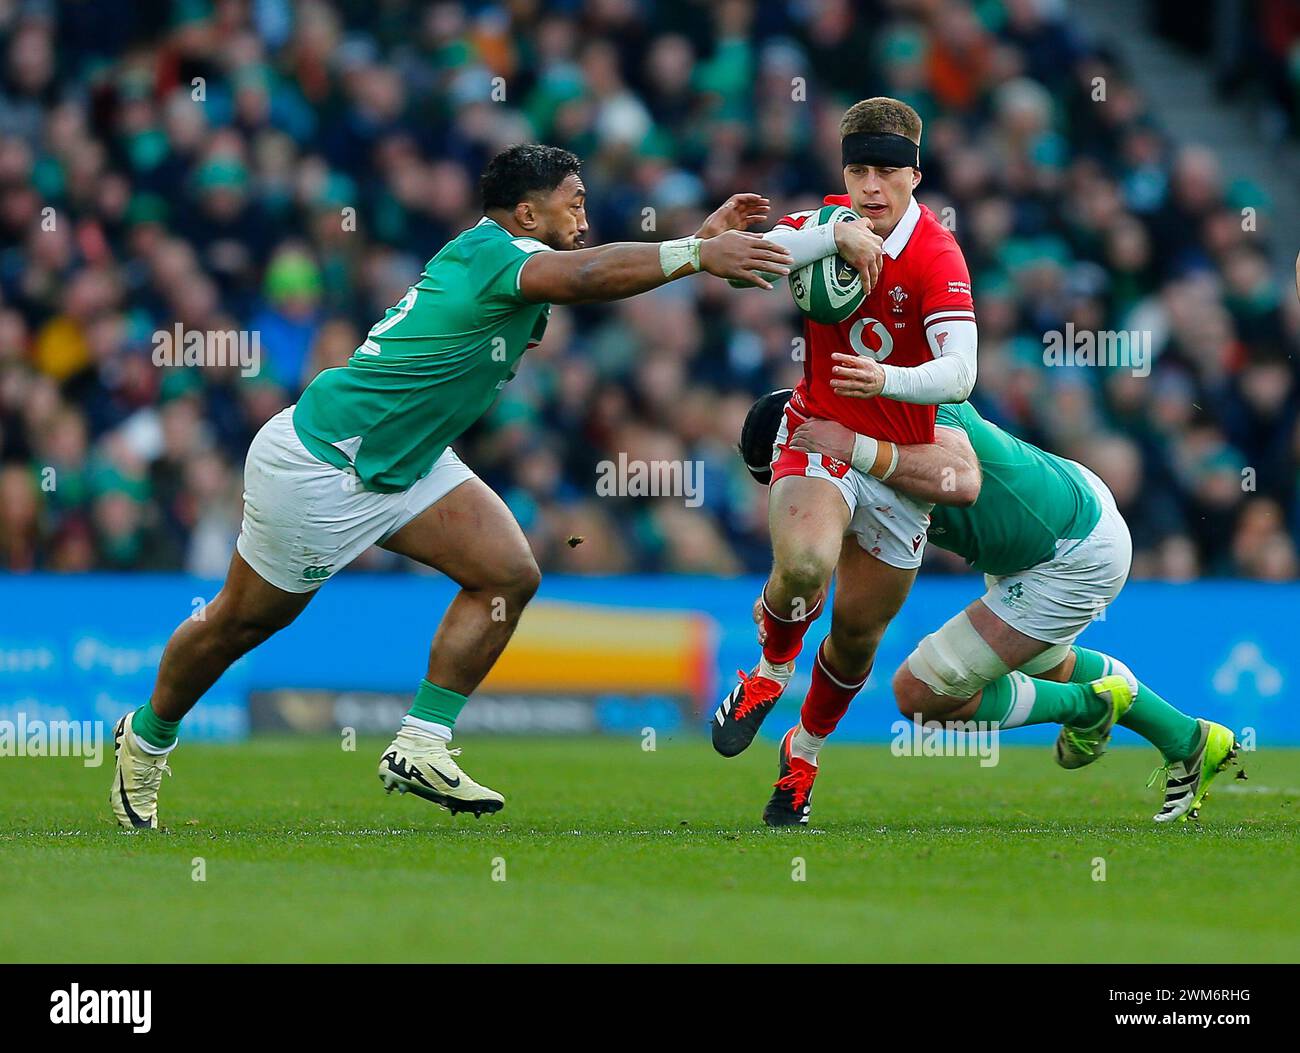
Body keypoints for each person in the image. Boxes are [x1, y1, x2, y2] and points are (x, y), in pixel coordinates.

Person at [109, 143, 812, 829]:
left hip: (408, 461)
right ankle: (145, 739)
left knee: (507, 573)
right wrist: (694, 252)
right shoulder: (498, 256)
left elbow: (577, 275)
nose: (585, 219)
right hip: (323, 464)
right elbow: (589, 275)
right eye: (575, 204)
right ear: (528, 216)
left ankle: (421, 743)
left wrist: (695, 241)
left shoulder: (498, 256)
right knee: (243, 621)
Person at [738, 389, 1241, 824]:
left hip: (1070, 549)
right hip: (1055, 514)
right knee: (1050, 663)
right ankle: (1191, 740)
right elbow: (827, 549)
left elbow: (958, 477)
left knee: (920, 692)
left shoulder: (908, 408)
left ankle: (1088, 710)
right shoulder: (856, 443)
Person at [709, 97, 979, 828]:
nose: (870, 186)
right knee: (803, 566)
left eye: (887, 171)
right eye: (857, 169)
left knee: (856, 638)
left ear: (915, 176)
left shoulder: (937, 254)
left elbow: (960, 375)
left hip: (896, 460)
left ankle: (803, 757)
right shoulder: (821, 227)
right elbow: (752, 265)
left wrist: (885, 380)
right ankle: (767, 673)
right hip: (818, 435)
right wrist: (818, 233)